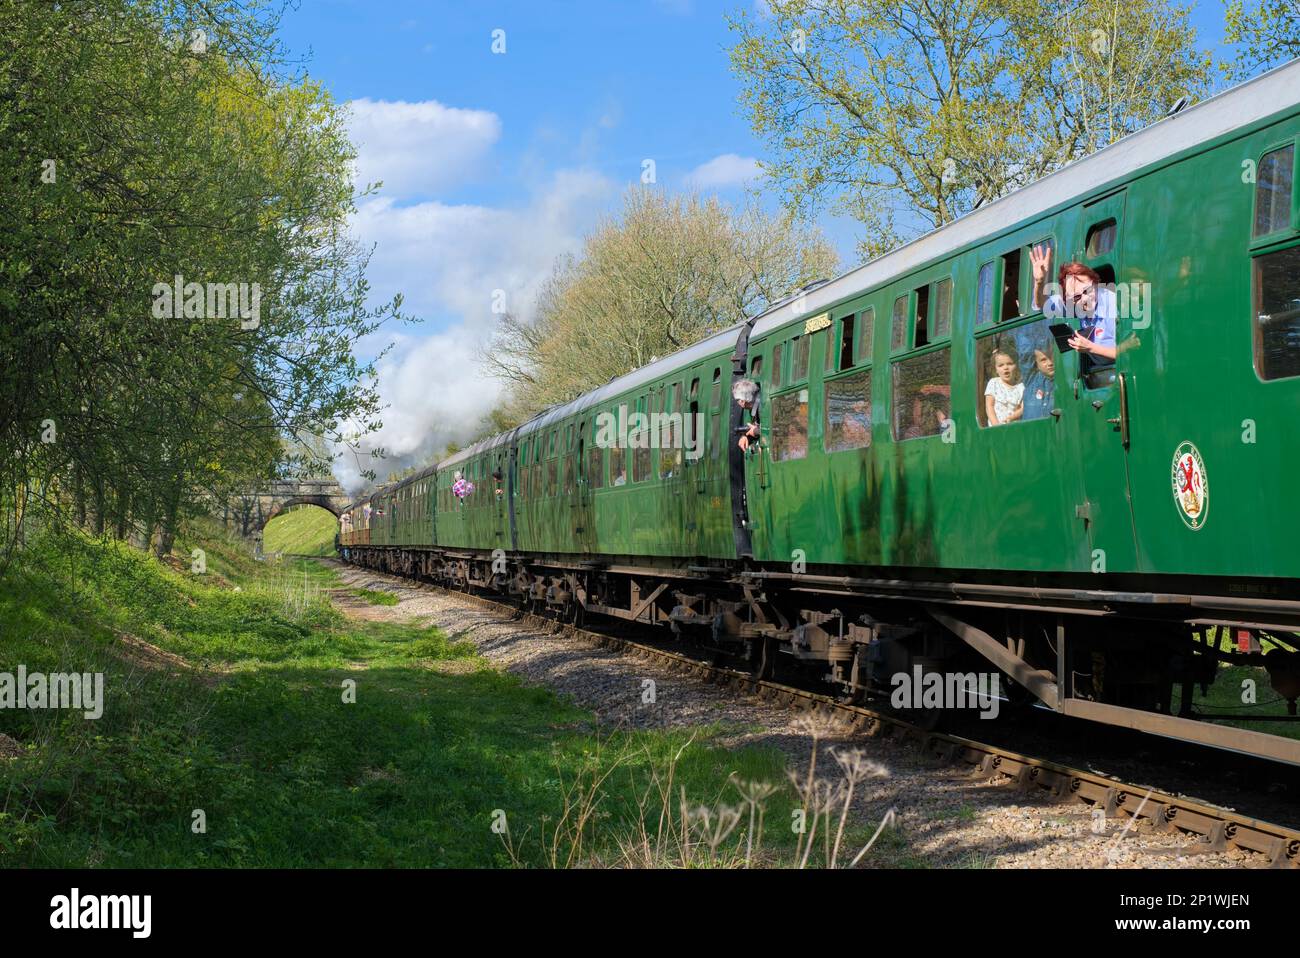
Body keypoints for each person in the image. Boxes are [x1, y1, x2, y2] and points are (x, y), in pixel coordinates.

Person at [1030, 244, 1117, 362]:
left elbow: (1131, 352)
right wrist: (1039, 282)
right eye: (1076, 297)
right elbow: (1042, 305)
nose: (1084, 298)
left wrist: (1091, 347)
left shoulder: (1114, 304)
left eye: (1087, 290)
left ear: (1095, 283)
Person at [984, 348, 1024, 426]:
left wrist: (1011, 418)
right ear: (996, 369)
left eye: (1009, 364)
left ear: (1016, 366)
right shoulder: (993, 383)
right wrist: (996, 426)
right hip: (996, 428)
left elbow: (1023, 408)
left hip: (1014, 428)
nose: (1005, 367)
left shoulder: (1021, 387)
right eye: (1001, 365)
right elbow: (989, 406)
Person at [1022, 348, 1056, 421]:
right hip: (1033, 430)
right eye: (1043, 360)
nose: (1050, 363)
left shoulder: (1064, 380)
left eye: (1052, 357)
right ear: (1036, 363)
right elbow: (1024, 349)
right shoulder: (1030, 380)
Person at [732, 378, 761, 452]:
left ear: (742, 401)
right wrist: (746, 436)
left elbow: (773, 429)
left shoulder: (761, 407)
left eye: (737, 400)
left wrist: (755, 431)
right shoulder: (755, 408)